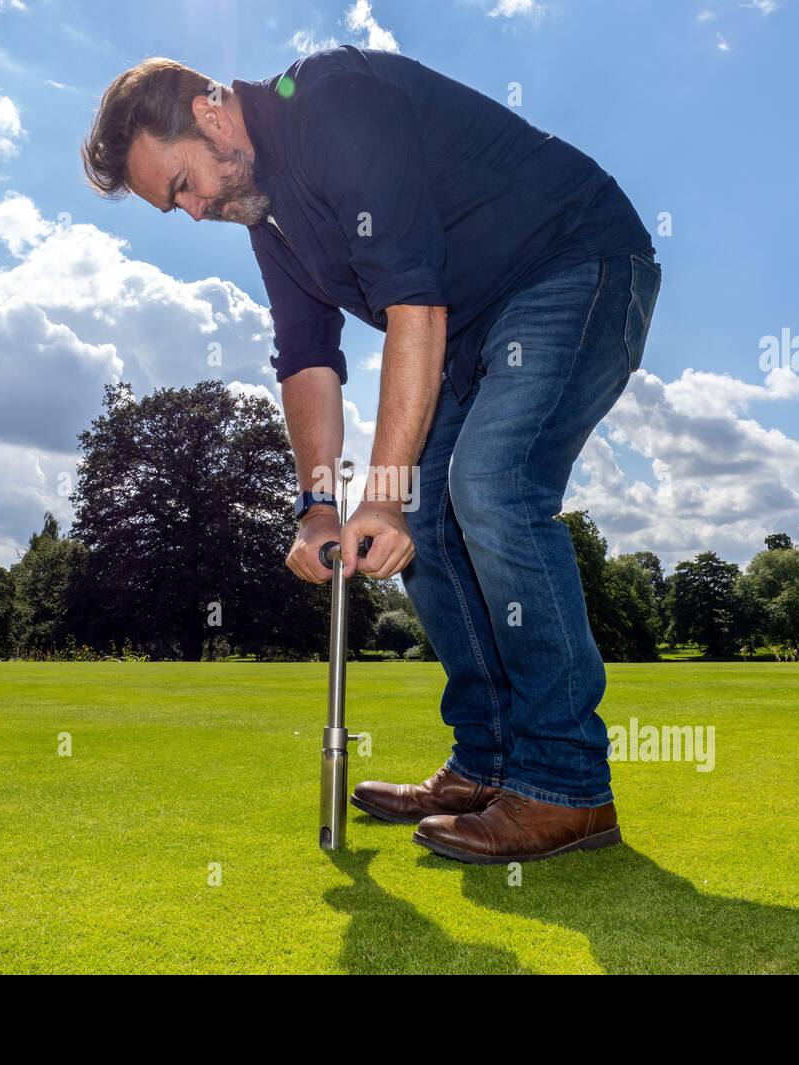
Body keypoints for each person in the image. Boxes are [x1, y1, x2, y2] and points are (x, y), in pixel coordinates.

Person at [82, 45, 660, 863]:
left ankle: (569, 787)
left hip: (578, 262)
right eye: (173, 208)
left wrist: (378, 492)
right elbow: (308, 359)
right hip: (472, 328)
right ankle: (488, 762)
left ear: (212, 114)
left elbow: (412, 305)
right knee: (428, 512)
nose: (195, 213)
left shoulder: (332, 104)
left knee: (489, 483)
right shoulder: (268, 216)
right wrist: (317, 503)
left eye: (181, 186)